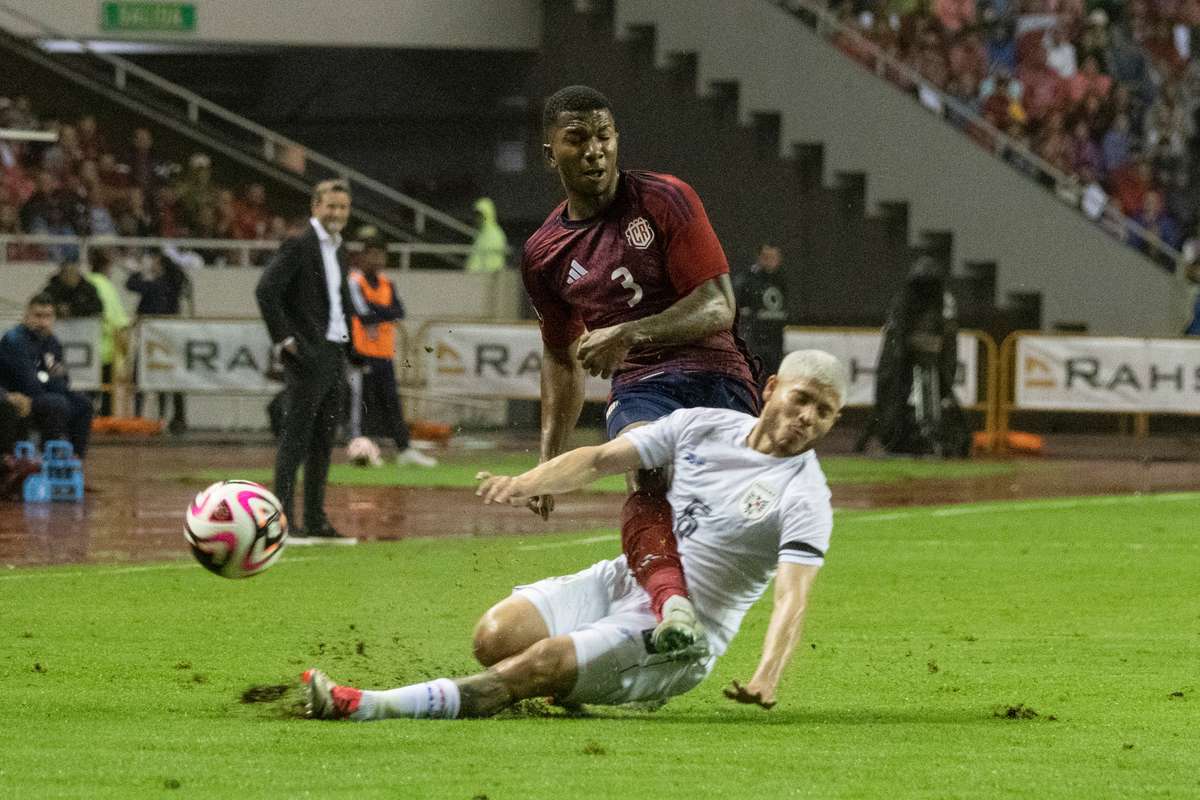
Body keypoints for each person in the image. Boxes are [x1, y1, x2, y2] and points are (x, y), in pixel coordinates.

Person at [303, 350, 845, 721]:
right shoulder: (704, 425)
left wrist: (768, 675)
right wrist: (524, 482)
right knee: (494, 638)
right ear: (771, 388)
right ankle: (580, 678)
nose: (807, 417)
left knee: (538, 665)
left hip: (682, 636)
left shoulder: (805, 496)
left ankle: (370, 704)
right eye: (801, 399)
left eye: (824, 412)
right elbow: (601, 458)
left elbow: (792, 597)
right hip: (624, 579)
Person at [520, 85, 760, 654]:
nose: (594, 151)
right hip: (642, 386)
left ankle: (667, 596)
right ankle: (667, 609)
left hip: (717, 371)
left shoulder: (665, 198)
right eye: (576, 139)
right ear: (550, 153)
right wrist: (550, 455)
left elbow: (718, 305)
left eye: (603, 136)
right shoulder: (544, 253)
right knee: (642, 462)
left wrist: (628, 332)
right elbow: (560, 356)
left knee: (722, 517)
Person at [255, 180, 356, 544]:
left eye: (343, 208)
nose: (337, 214)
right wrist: (287, 341)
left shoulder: (340, 249)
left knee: (323, 441)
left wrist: (350, 347)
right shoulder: (299, 244)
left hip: (333, 352)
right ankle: (281, 522)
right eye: (331, 206)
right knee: (295, 440)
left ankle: (315, 519)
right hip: (308, 354)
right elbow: (266, 291)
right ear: (315, 206)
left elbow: (339, 301)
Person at [346, 232, 436, 467]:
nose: (377, 260)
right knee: (362, 404)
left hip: (384, 353)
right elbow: (364, 314)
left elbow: (399, 311)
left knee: (391, 402)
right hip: (361, 352)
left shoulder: (387, 283)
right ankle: (362, 451)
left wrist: (378, 311)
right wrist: (383, 312)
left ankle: (404, 449)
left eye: (381, 255)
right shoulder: (354, 281)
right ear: (363, 256)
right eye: (372, 254)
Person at [0, 294, 93, 459]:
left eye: (48, 316)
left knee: (83, 404)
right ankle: (49, 457)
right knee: (57, 403)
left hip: (40, 394)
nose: (43, 322)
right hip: (15, 395)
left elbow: (63, 381)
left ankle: (76, 458)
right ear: (26, 316)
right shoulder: (15, 340)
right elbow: (28, 383)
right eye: (38, 316)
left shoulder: (52, 342)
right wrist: (49, 378)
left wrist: (48, 379)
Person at [126, 249, 190, 432]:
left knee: (141, 377)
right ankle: (170, 418)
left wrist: (139, 271)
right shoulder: (173, 285)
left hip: (153, 341)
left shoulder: (157, 285)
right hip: (169, 339)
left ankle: (141, 417)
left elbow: (131, 284)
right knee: (169, 379)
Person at [85, 249, 131, 417]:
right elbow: (117, 320)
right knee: (105, 394)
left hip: (86, 350)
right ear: (106, 266)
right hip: (105, 349)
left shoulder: (87, 282)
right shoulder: (105, 286)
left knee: (86, 391)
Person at [734, 244, 789, 384]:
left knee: (773, 379)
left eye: (774, 257)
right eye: (767, 257)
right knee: (754, 379)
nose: (771, 261)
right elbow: (737, 308)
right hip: (754, 341)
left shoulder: (781, 280)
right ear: (759, 258)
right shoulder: (747, 280)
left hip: (775, 342)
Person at [464, 197, 509, 273]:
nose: (476, 219)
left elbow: (493, 260)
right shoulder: (481, 234)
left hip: (487, 277)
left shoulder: (495, 234)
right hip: (476, 277)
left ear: (487, 215)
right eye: (475, 215)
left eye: (480, 215)